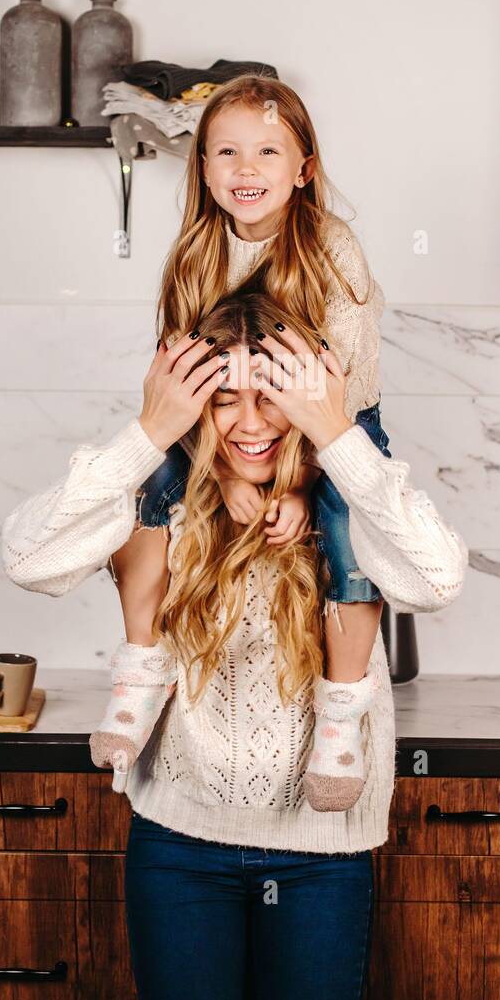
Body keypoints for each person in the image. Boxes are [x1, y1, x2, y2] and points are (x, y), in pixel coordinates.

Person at [1, 290, 468, 1000]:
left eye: (273, 399)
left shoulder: (350, 512)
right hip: (180, 848)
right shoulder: (167, 507)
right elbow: (29, 558)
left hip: (321, 857)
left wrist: (335, 436)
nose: (250, 425)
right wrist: (148, 432)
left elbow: (438, 577)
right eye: (223, 401)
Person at [122, 72, 393, 810]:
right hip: (222, 430)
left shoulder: (331, 248)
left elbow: (332, 390)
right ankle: (141, 667)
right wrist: (221, 476)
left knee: (349, 535)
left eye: (268, 151)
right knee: (145, 490)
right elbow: (179, 378)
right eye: (228, 153)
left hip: (330, 429)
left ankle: (341, 713)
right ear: (203, 169)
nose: (247, 170)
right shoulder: (195, 254)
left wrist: (299, 485)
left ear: (303, 169)